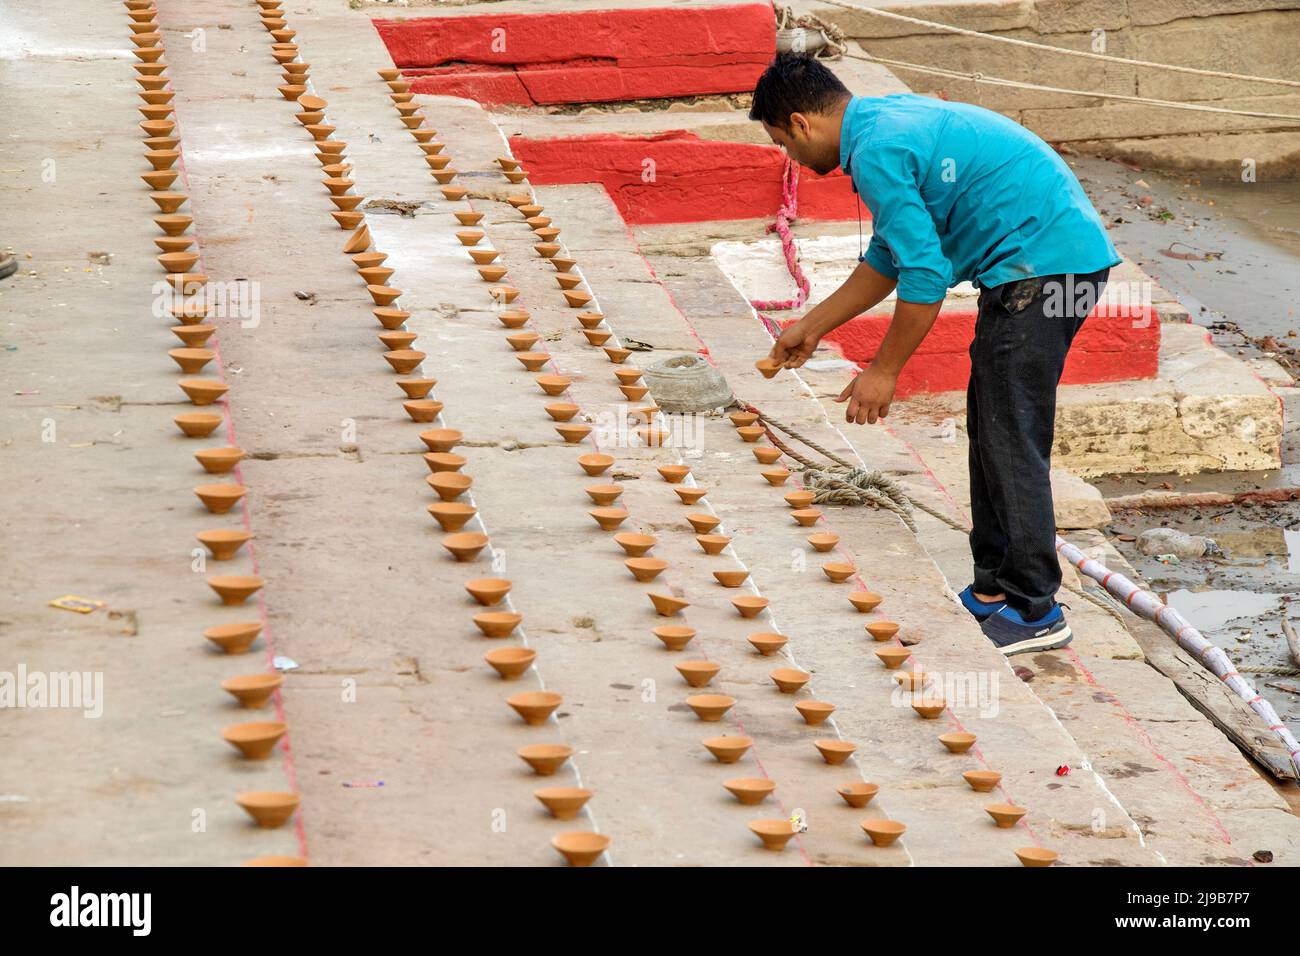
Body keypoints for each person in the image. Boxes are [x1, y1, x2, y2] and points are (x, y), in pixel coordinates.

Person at [749, 53, 1119, 656]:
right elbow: (891, 258)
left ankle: (1036, 609)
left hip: (1047, 269)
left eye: (781, 144)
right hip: (1042, 265)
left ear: (799, 123)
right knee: (992, 425)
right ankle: (993, 587)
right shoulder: (879, 125)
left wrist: (883, 371)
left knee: (1011, 434)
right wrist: (811, 327)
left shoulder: (874, 151)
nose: (789, 159)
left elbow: (924, 273)